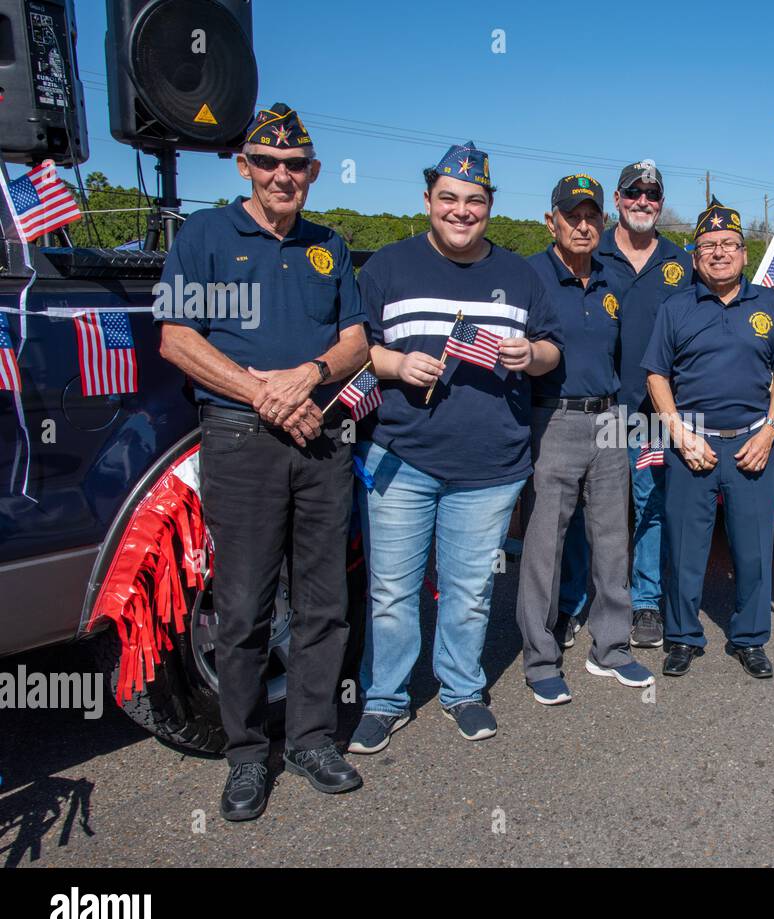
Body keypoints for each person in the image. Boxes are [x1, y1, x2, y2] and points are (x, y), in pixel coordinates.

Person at [156, 103, 368, 821]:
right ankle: (246, 754)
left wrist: (308, 375)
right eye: (268, 162)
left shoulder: (328, 244)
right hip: (241, 438)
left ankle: (311, 739)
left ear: (310, 172)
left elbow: (356, 343)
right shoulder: (207, 234)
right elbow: (177, 339)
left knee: (323, 603)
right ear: (244, 165)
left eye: (296, 164)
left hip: (322, 437)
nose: (283, 174)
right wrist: (261, 393)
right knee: (242, 606)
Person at [348, 142, 561, 749]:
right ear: (428, 202)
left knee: (469, 593)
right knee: (391, 592)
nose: (461, 211)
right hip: (402, 457)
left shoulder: (520, 275)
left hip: (490, 465)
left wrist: (532, 355)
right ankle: (385, 699)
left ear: (489, 206)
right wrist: (393, 363)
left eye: (474, 200)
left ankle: (461, 689)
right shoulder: (387, 266)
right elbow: (352, 347)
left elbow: (552, 347)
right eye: (449, 198)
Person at [517, 175, 655, 705]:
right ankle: (541, 657)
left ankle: (613, 647)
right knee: (544, 546)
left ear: (603, 220)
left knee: (612, 541)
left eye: (591, 216)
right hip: (552, 420)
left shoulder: (611, 280)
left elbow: (625, 356)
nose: (582, 225)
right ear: (551, 218)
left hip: (609, 419)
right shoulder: (529, 275)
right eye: (572, 215)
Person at [644, 197, 774, 678]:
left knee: (753, 550)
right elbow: (656, 376)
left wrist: (770, 431)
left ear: (745, 253)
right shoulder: (675, 308)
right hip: (693, 445)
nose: (719, 252)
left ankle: (749, 638)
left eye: (729, 244)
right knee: (686, 550)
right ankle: (683, 637)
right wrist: (678, 433)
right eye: (709, 245)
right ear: (695, 255)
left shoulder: (770, 305)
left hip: (753, 444)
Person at [554, 161, 693, 650]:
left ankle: (647, 601)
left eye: (652, 195)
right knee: (580, 514)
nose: (642, 201)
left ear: (660, 202)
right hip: (599, 411)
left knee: (649, 506)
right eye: (633, 192)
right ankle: (572, 602)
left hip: (655, 414)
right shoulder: (592, 251)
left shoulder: (683, 261)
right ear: (617, 198)